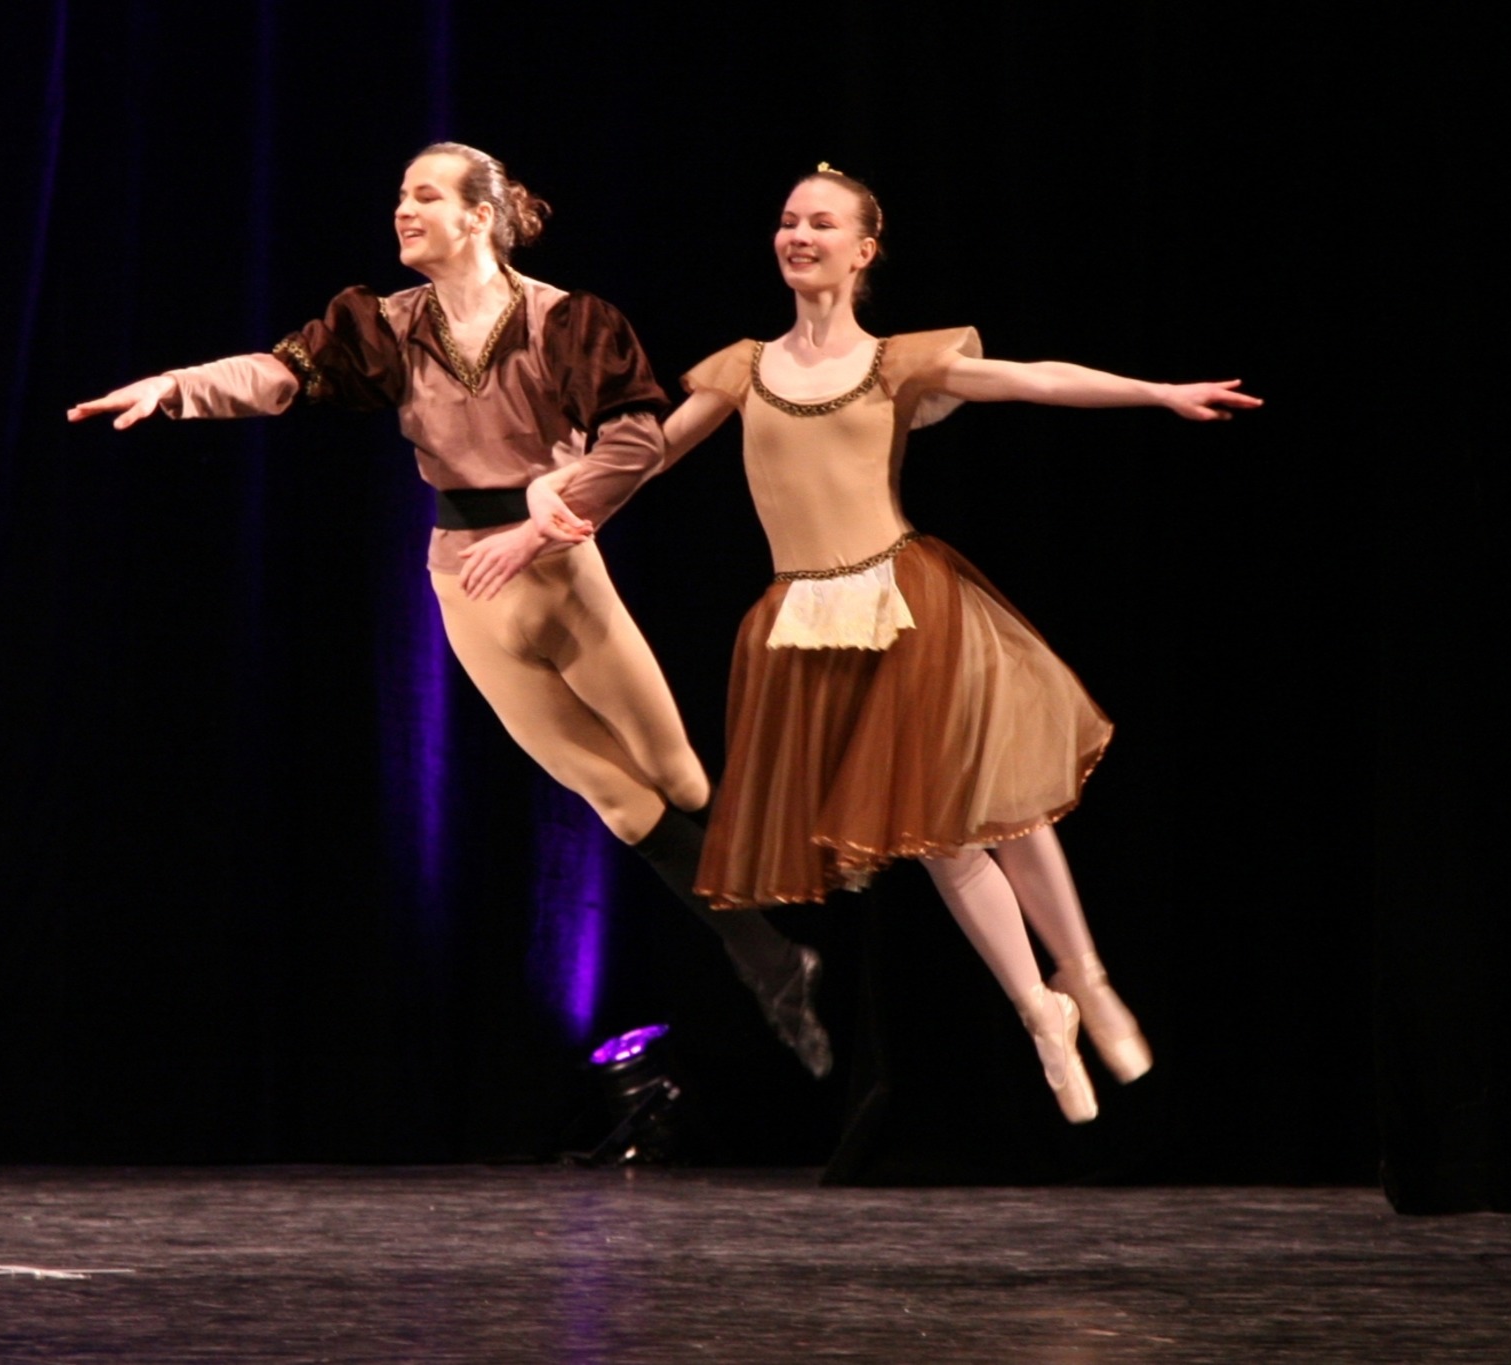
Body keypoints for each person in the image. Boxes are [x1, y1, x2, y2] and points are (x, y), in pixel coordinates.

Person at [66, 144, 830, 1076]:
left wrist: (539, 528)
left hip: (561, 570)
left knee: (680, 778)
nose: (404, 208)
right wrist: (176, 387)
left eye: (425, 195)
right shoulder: (388, 326)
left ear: (479, 217)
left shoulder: (566, 320)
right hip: (466, 580)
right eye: (401, 194)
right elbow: (280, 374)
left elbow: (634, 442)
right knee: (618, 800)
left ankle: (815, 932)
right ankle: (773, 964)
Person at [525, 166, 1260, 1122]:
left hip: (906, 600)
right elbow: (649, 456)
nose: (798, 235)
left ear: (863, 250)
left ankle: (1085, 974)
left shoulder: (897, 362)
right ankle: (1040, 1009)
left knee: (1004, 806)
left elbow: (1031, 377)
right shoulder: (743, 367)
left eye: (821, 223)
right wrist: (556, 488)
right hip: (807, 622)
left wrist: (1157, 392)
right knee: (937, 837)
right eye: (787, 220)